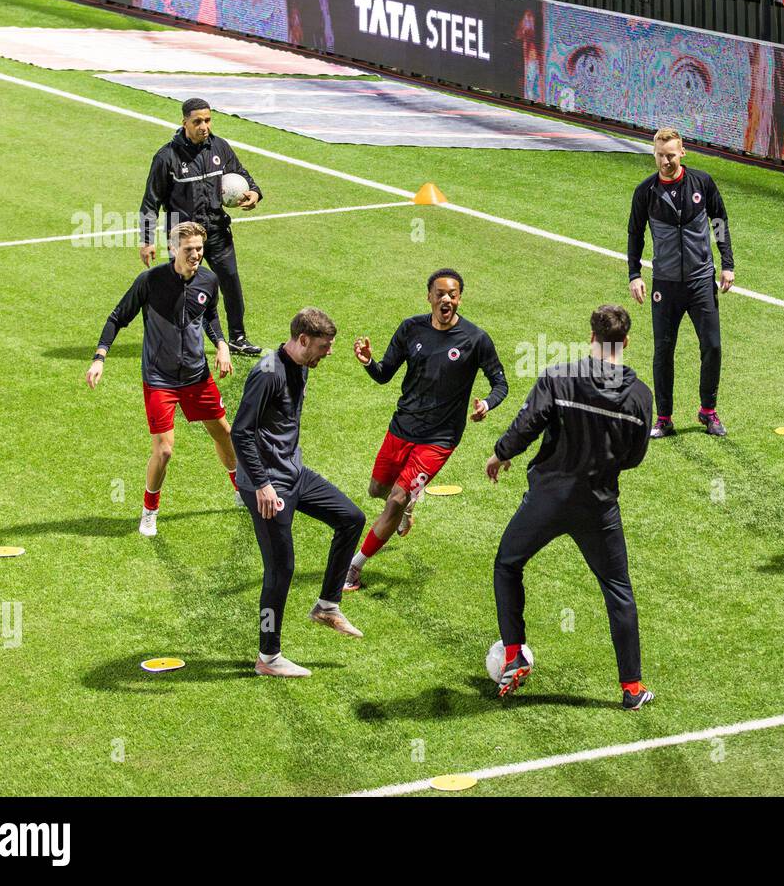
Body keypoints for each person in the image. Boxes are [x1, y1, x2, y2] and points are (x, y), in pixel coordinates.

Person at [486, 304, 655, 710]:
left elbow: (529, 422)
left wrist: (501, 453)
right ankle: (631, 688)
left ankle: (513, 655)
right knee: (617, 590)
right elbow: (635, 456)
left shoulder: (560, 378)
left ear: (591, 337)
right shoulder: (640, 396)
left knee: (508, 564)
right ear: (626, 342)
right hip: (598, 505)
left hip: (547, 498)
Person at [344, 269, 508, 591]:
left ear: (459, 298)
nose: (446, 299)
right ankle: (407, 506)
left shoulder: (475, 339)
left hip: (440, 438)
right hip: (402, 426)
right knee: (377, 490)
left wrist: (486, 404)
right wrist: (368, 362)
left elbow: (500, 382)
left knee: (395, 497)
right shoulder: (411, 328)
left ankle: (353, 568)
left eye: (453, 294)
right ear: (429, 297)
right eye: (440, 293)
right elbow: (384, 374)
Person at [232, 308, 367, 678]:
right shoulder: (267, 374)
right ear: (303, 340)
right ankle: (268, 657)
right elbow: (240, 432)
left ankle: (327, 605)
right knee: (280, 568)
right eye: (324, 347)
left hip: (293, 474)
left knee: (351, 517)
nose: (329, 353)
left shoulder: (303, 365)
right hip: (266, 484)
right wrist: (261, 484)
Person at [85, 221, 237, 538]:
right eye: (189, 249)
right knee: (164, 450)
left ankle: (240, 488)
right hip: (160, 379)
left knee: (224, 432)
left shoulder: (209, 280)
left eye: (199, 249)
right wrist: (100, 357)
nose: (196, 254)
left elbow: (209, 314)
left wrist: (221, 344)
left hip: (197, 375)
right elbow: (117, 317)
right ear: (172, 249)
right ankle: (149, 512)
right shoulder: (151, 281)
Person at [627, 127, 734, 438]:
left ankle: (708, 411)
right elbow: (635, 234)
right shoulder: (645, 192)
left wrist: (727, 265)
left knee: (712, 346)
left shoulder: (703, 182)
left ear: (682, 152)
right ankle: (663, 418)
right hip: (665, 284)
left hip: (702, 281)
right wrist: (635, 274)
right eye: (660, 155)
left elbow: (719, 222)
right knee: (663, 350)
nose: (665, 161)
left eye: (671, 155)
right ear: (654, 154)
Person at [138, 97, 264, 357]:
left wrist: (254, 193)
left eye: (207, 120)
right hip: (183, 236)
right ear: (184, 122)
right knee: (181, 289)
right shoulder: (167, 157)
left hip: (216, 230)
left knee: (230, 282)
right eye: (197, 121)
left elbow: (243, 175)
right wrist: (147, 239)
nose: (204, 126)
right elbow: (150, 200)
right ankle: (170, 339)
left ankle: (238, 338)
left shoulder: (220, 148)